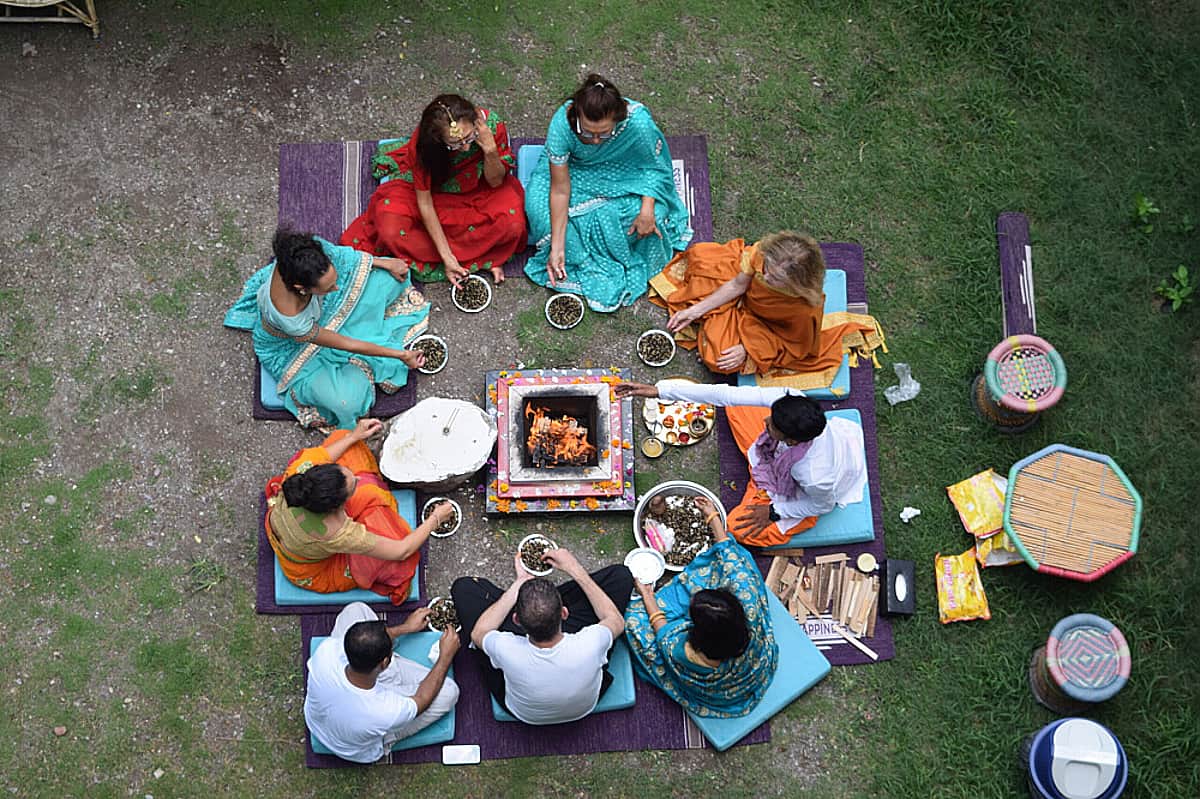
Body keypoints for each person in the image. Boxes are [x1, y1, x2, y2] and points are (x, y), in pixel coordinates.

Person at [615, 381, 866, 548]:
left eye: (772, 425)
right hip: (774, 458)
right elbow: (724, 394)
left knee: (735, 528)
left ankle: (762, 492)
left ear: (790, 440)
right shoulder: (792, 398)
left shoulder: (815, 474)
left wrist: (773, 512)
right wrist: (659, 391)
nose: (766, 420)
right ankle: (761, 471)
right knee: (736, 406)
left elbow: (821, 504)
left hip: (793, 493)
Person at [224, 227, 429, 429]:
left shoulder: (302, 251)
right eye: (329, 286)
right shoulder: (292, 319)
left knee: (391, 279)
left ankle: (356, 317)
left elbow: (340, 256)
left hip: (327, 306)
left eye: (334, 280)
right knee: (347, 403)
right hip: (296, 350)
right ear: (301, 288)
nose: (337, 287)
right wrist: (400, 355)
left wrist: (382, 262)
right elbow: (347, 343)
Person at [523, 73, 693, 311]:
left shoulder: (638, 123)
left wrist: (646, 209)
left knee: (651, 218)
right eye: (587, 133)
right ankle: (574, 249)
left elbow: (654, 168)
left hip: (626, 175)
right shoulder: (563, 123)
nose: (594, 141)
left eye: (604, 134)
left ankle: (587, 245)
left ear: (618, 119)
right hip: (574, 171)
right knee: (538, 209)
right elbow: (560, 189)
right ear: (576, 116)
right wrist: (558, 245)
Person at [340, 93, 527, 286]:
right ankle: (473, 259)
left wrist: (490, 150)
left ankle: (475, 258)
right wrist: (447, 257)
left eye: (469, 137)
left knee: (513, 224)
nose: (464, 148)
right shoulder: (425, 146)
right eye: (454, 144)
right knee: (390, 226)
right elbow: (425, 203)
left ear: (475, 121)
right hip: (438, 195)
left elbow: (496, 182)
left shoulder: (492, 126)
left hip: (481, 191)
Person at [264, 419, 456, 603]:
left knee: (344, 438)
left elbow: (326, 453)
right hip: (308, 568)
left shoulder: (299, 473)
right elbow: (402, 551)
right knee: (393, 549)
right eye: (352, 486)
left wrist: (354, 435)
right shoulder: (339, 533)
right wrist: (435, 519)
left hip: (285, 530)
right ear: (335, 507)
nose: (357, 479)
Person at [649, 232, 885, 380]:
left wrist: (748, 348)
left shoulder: (804, 308)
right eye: (766, 270)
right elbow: (739, 283)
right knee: (702, 257)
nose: (765, 277)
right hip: (743, 298)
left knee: (717, 358)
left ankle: (726, 325)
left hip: (763, 327)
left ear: (796, 284)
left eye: (775, 279)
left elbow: (792, 345)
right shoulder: (763, 258)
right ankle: (717, 316)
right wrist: (695, 310)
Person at [625, 495, 778, 717]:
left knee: (634, 620)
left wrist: (647, 595)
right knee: (731, 561)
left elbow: (663, 634)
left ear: (696, 634)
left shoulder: (687, 653)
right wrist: (713, 518)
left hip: (721, 688)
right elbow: (733, 561)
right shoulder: (748, 600)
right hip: (754, 666)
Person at [451, 549, 633, 725]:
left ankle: (532, 606)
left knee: (464, 588)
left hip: (523, 713)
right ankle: (546, 605)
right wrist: (574, 569)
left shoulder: (507, 649)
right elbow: (616, 621)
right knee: (621, 576)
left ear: (516, 620)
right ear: (564, 613)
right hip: (585, 704)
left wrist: (518, 586)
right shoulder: (590, 643)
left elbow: (478, 634)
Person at [304, 601, 460, 764]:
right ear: (384, 663)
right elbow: (422, 700)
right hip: (359, 747)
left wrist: (405, 628)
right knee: (449, 692)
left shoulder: (326, 652)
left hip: (319, 721)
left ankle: (380, 654)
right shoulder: (386, 711)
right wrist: (445, 657)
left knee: (356, 609)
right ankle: (389, 738)